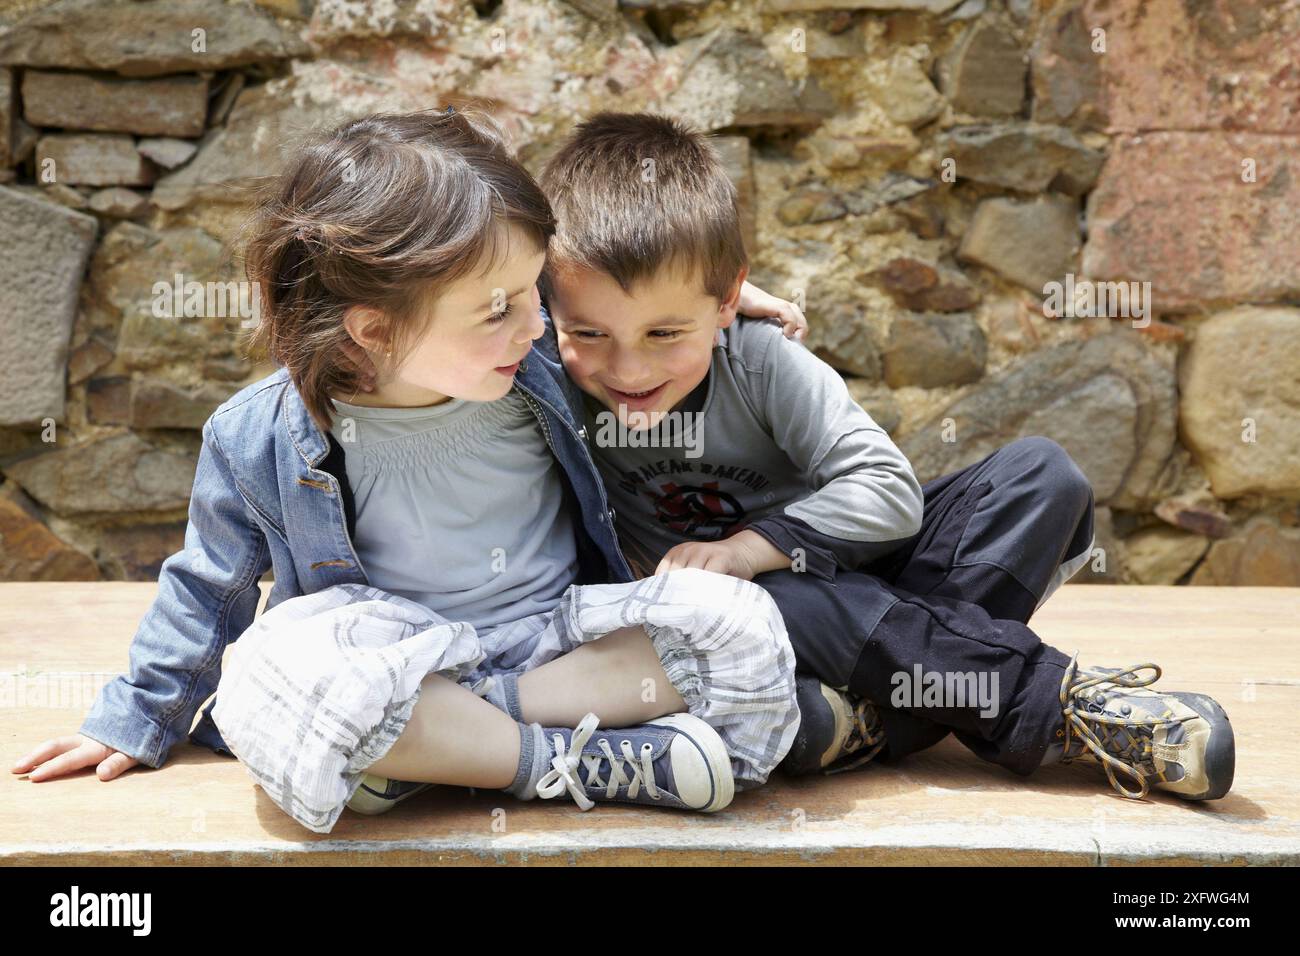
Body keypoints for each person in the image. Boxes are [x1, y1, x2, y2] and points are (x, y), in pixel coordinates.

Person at [10, 108, 803, 834]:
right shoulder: (260, 435)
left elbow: (628, 309)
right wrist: (135, 719)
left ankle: (449, 744)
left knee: (739, 623)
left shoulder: (536, 369)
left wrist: (714, 299)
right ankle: (565, 762)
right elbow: (206, 589)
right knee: (271, 676)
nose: (539, 325)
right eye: (502, 308)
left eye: (537, 294)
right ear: (375, 330)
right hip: (394, 658)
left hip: (560, 647)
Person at [538, 111, 1236, 802]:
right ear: (548, 301)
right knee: (784, 599)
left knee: (1045, 480)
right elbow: (472, 268)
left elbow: (889, 493)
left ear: (726, 300)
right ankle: (1052, 706)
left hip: (839, 575)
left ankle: (870, 718)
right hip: (734, 623)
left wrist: (753, 546)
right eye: (591, 333)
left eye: (664, 331)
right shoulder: (542, 368)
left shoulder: (759, 363)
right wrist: (649, 308)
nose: (627, 367)